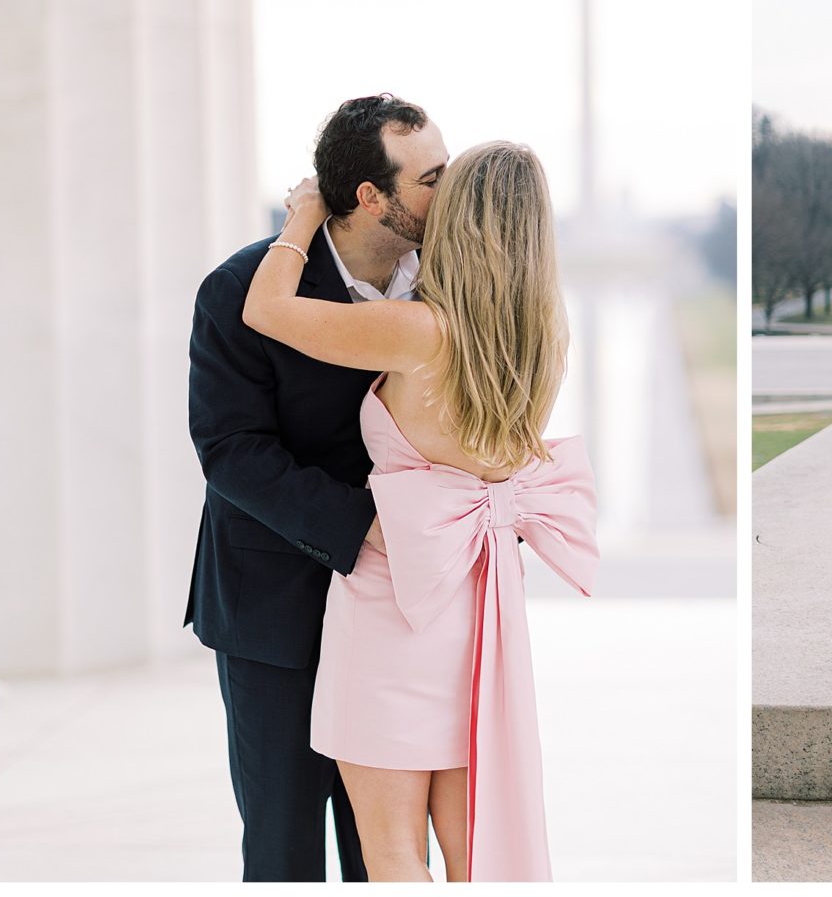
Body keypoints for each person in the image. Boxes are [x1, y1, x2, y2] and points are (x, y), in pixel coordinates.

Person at [243, 140, 598, 882]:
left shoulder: (418, 332)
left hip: (392, 603)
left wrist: (304, 217)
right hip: (480, 607)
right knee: (474, 856)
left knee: (393, 853)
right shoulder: (545, 340)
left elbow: (265, 309)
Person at [185, 93, 445, 881]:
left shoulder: (448, 286)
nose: (450, 190)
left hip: (400, 613)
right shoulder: (238, 289)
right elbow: (230, 451)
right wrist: (368, 526)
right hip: (273, 608)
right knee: (283, 852)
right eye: (432, 177)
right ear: (373, 197)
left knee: (388, 854)